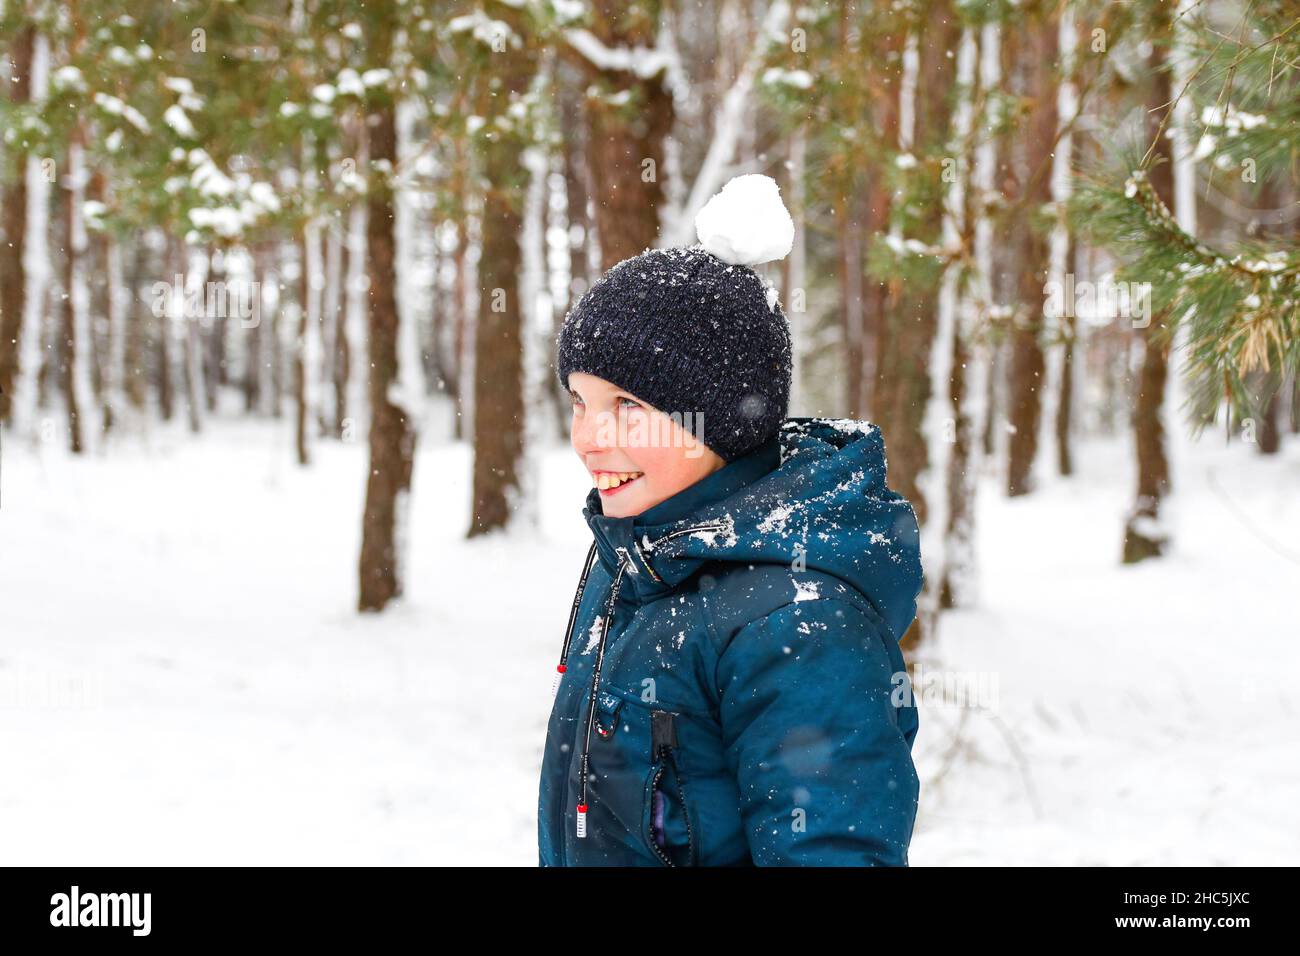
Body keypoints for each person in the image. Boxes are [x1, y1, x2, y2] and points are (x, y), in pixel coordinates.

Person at [537, 174, 923, 866]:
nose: (590, 437)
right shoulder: (635, 557)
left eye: (627, 406)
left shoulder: (795, 621)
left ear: (714, 422)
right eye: (578, 401)